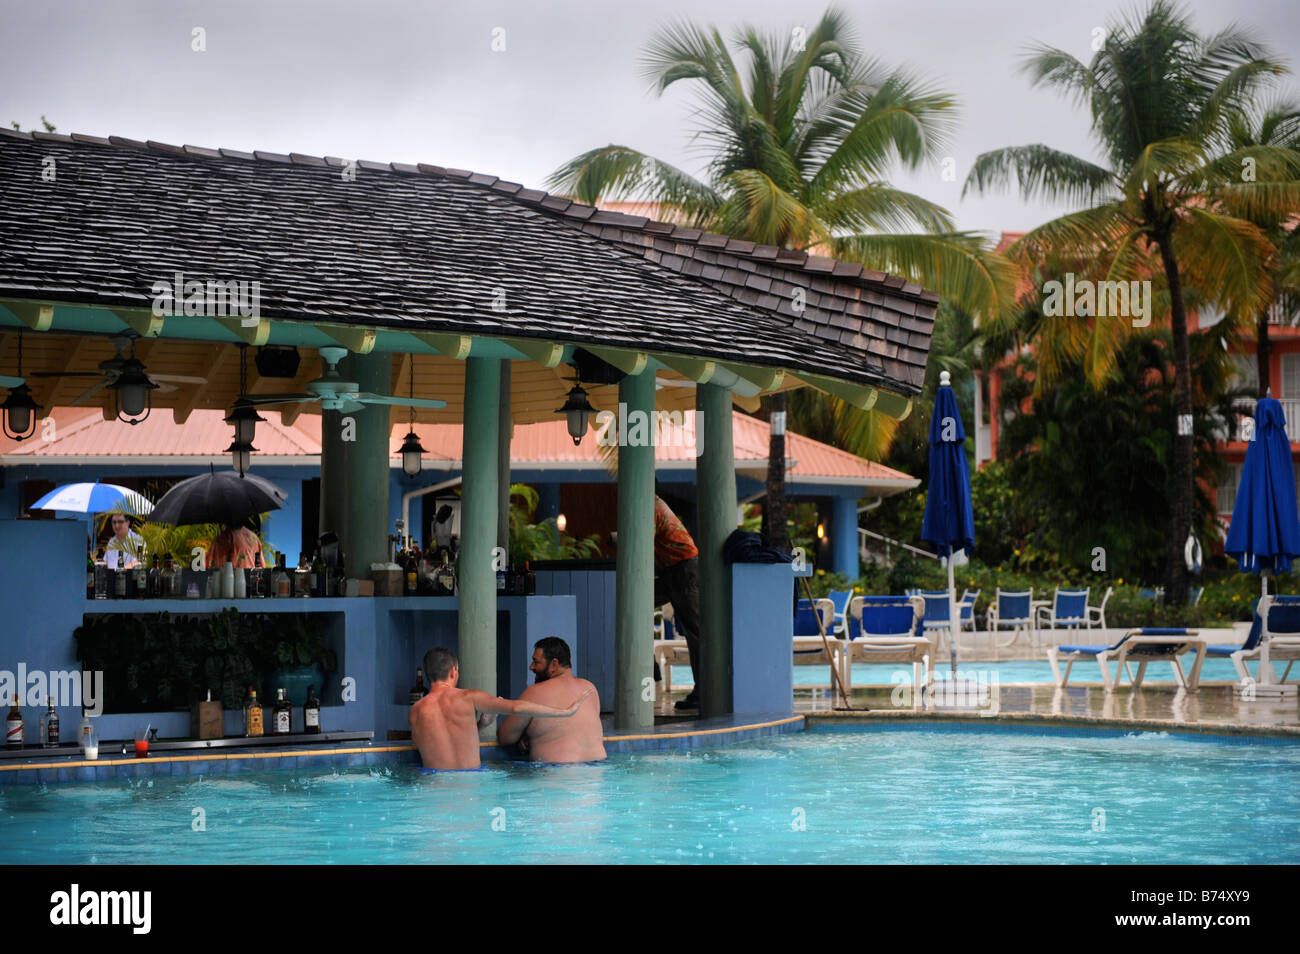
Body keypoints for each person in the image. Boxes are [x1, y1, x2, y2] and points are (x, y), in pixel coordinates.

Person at [410, 646, 591, 770]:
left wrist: (480, 725)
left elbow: (430, 743)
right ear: (453, 671)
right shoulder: (469, 697)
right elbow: (516, 708)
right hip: (470, 783)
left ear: (427, 675)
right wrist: (565, 712)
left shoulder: (416, 711)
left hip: (433, 784)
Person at [498, 637, 605, 763]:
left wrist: (524, 735)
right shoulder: (590, 688)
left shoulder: (534, 692)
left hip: (556, 774)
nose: (531, 667)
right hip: (597, 771)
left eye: (536, 662)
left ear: (554, 664)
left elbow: (505, 737)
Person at [653, 491, 704, 712]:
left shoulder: (650, 506)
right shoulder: (653, 505)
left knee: (697, 632)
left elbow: (641, 542)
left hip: (684, 569)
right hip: (671, 570)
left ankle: (705, 692)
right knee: (633, 606)